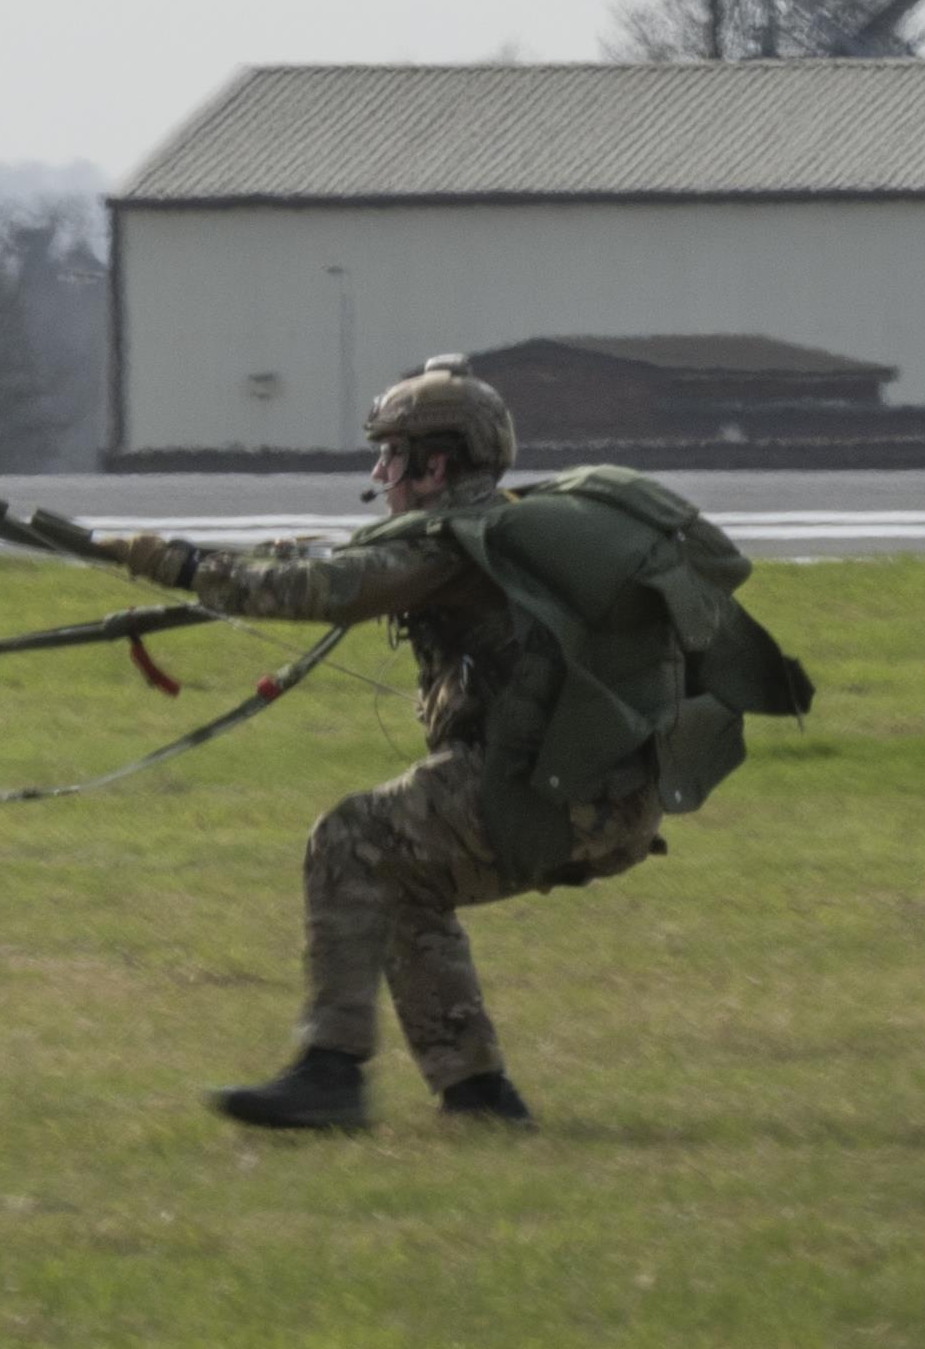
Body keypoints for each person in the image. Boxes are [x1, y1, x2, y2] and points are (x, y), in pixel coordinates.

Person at [100, 358, 718, 1135]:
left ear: (434, 465)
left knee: (350, 837)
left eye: (390, 455)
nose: (378, 471)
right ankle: (478, 1094)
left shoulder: (453, 544)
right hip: (611, 800)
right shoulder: (509, 524)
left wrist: (175, 563)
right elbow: (349, 562)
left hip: (543, 796)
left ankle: (330, 1072)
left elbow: (322, 591)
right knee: (399, 880)